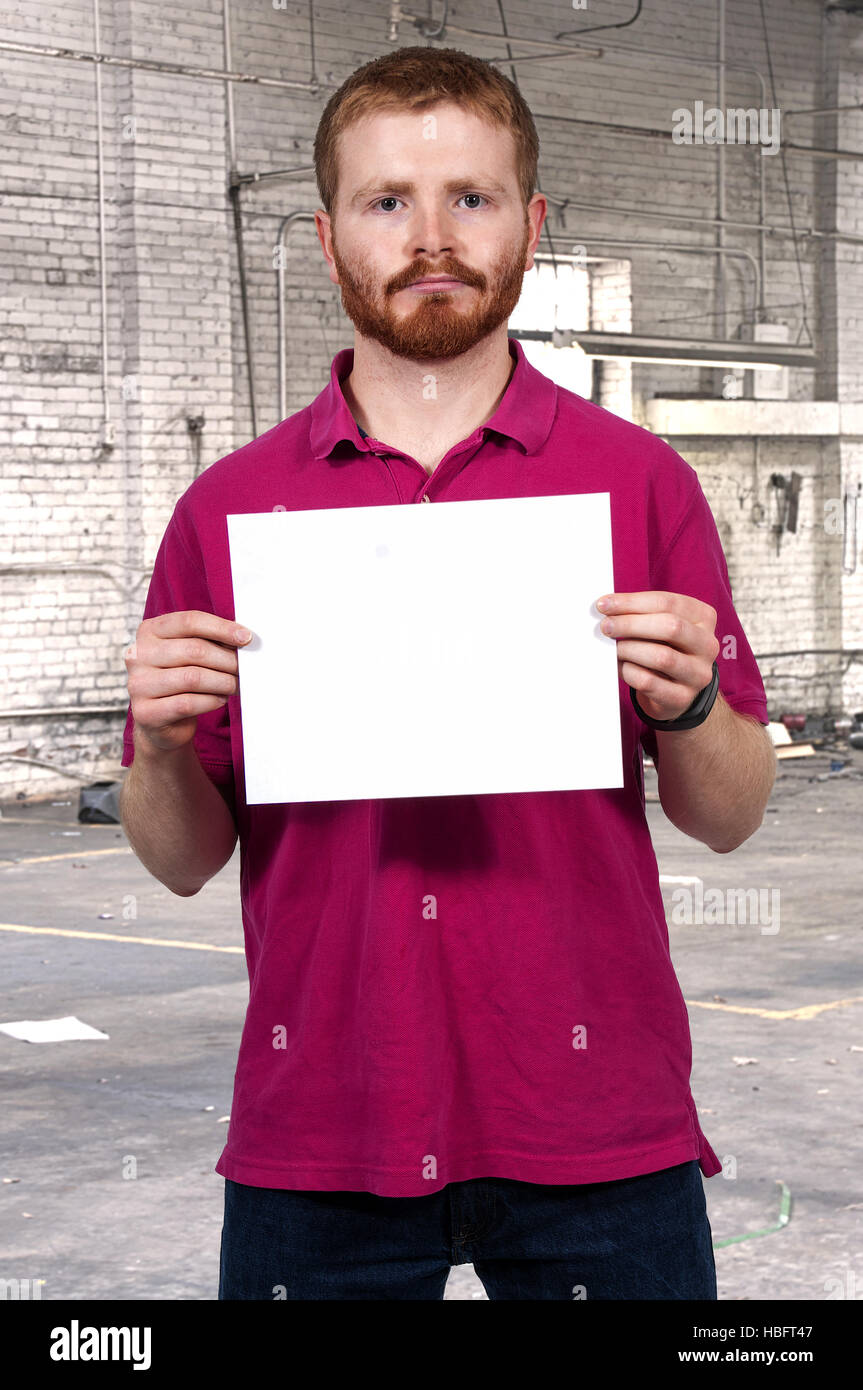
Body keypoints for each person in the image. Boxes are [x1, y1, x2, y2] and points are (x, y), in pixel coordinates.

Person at [119, 45, 776, 1301]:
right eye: (386, 202)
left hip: (594, 1119)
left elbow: (729, 816)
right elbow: (181, 856)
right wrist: (155, 743)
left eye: (468, 199)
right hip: (322, 1125)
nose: (430, 238)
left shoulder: (641, 485)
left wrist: (689, 702)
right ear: (327, 239)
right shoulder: (229, 510)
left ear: (527, 225)